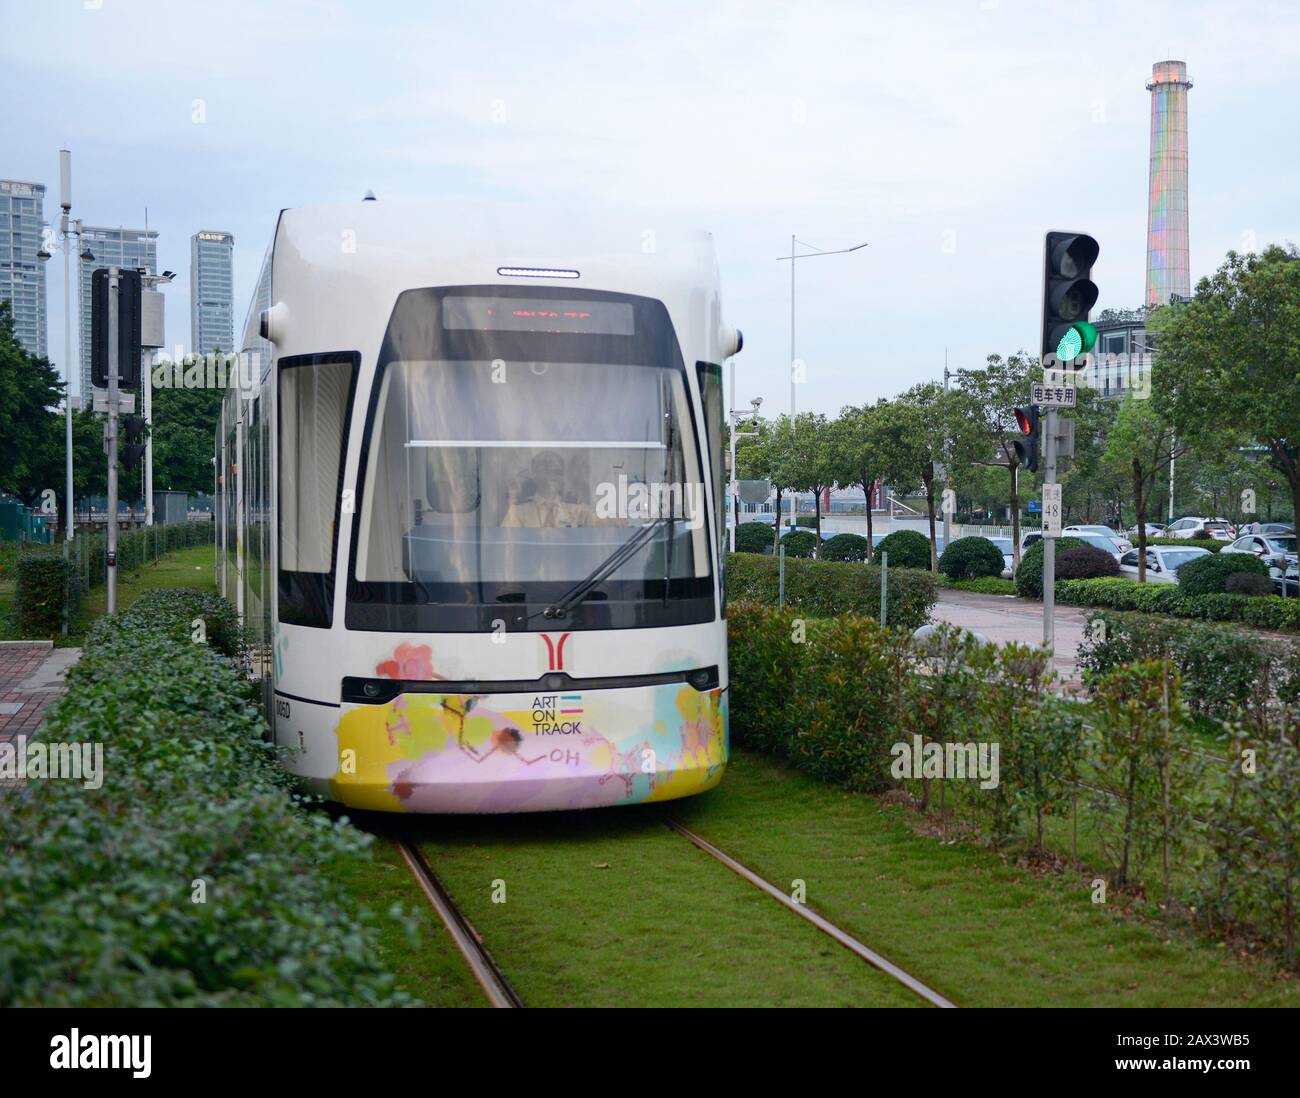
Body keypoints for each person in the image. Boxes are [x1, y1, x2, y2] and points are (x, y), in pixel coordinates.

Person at [501, 452, 599, 528]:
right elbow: (507, 539)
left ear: (562, 478)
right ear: (534, 476)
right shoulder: (519, 512)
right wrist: (512, 500)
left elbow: (601, 523)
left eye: (557, 472)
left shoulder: (576, 510)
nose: (552, 477)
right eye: (546, 471)